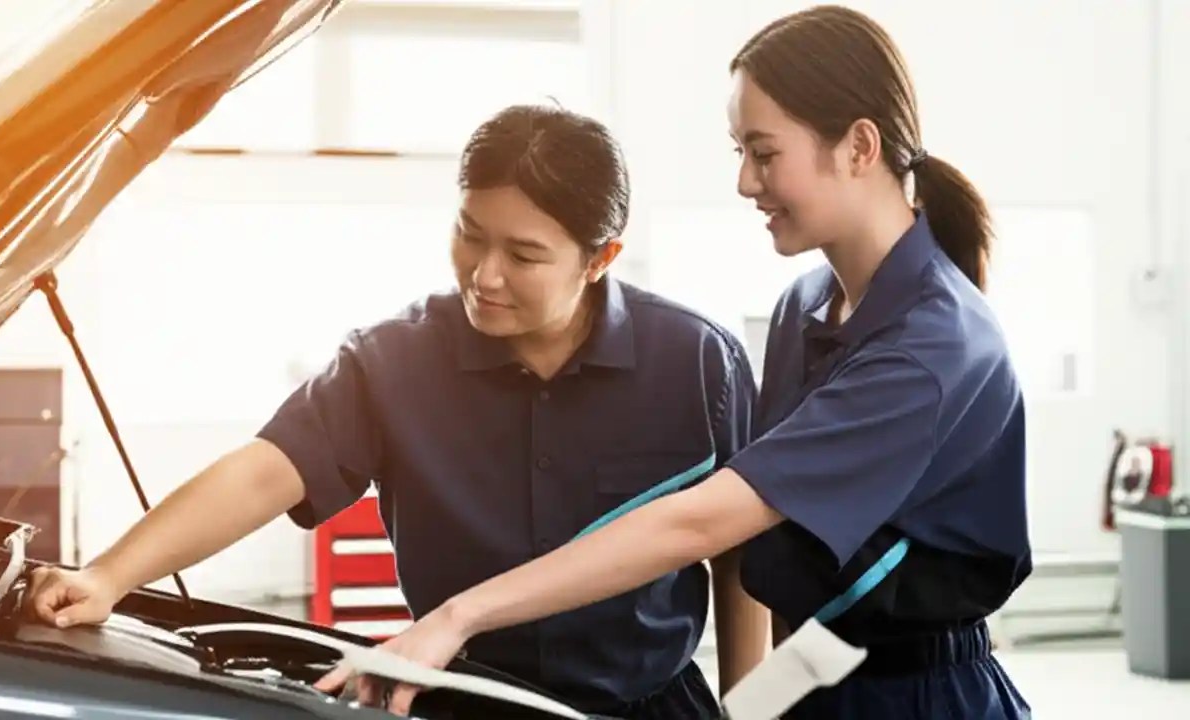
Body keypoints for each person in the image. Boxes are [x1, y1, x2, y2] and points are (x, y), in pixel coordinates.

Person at [329, 6, 1034, 719]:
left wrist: (457, 617)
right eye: (739, 154)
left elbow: (704, 524)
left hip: (926, 697)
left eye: (764, 153)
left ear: (858, 146)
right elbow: (796, 570)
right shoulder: (807, 304)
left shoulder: (932, 347)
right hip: (825, 671)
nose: (745, 183)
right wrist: (752, 709)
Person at [23, 103, 771, 719]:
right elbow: (262, 473)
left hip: (652, 709)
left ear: (600, 257)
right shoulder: (392, 362)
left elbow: (740, 558)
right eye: (470, 235)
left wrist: (751, 710)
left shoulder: (698, 363)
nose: (485, 275)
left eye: (524, 254)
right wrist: (111, 575)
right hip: (459, 704)